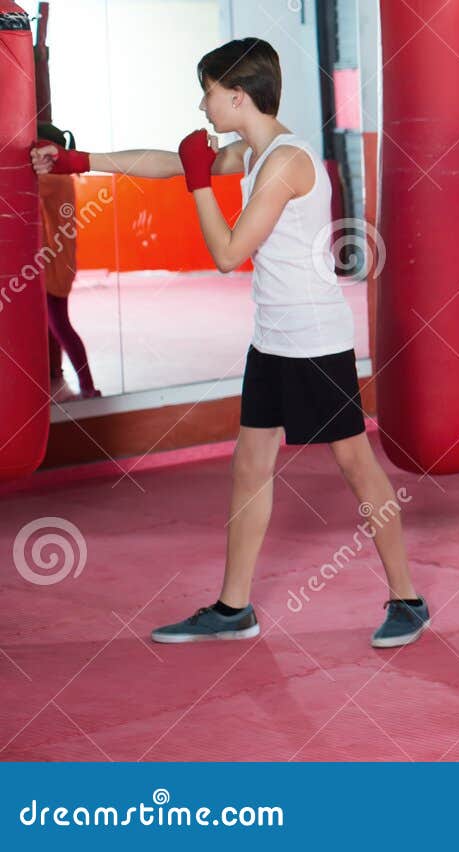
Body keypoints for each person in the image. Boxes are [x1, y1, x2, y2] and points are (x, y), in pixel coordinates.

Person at [31, 38, 429, 646]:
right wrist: (81, 162)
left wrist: (197, 184)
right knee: (250, 468)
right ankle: (233, 608)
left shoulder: (286, 164)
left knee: (355, 466)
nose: (203, 104)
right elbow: (170, 161)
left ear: (238, 96)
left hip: (314, 344)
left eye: (209, 93)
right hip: (272, 340)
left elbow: (227, 254)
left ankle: (408, 599)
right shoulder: (254, 151)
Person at [36, 122, 98, 402]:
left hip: (54, 266)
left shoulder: (54, 178)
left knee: (60, 326)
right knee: (57, 325)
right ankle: (77, 381)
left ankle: (87, 385)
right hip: (56, 262)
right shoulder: (60, 177)